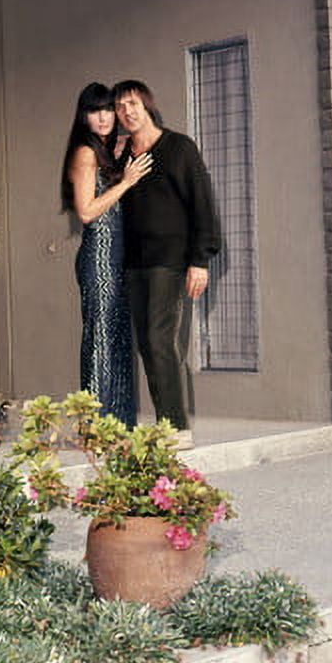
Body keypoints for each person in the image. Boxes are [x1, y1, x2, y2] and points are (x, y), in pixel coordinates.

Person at [113, 80, 221, 447]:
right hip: (136, 264)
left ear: (147, 104)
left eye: (132, 103)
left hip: (170, 262)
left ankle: (176, 429)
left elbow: (203, 203)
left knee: (160, 340)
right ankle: (165, 425)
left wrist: (200, 260)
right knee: (148, 344)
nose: (127, 112)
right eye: (119, 107)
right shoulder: (124, 156)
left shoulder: (178, 148)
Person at [61, 82, 152, 426]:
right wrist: (126, 182)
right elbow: (86, 212)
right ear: (84, 116)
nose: (103, 117)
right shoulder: (84, 152)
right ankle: (97, 426)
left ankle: (118, 423)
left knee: (117, 339)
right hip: (99, 256)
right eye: (94, 110)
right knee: (100, 337)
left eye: (107, 110)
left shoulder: (103, 150)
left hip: (116, 258)